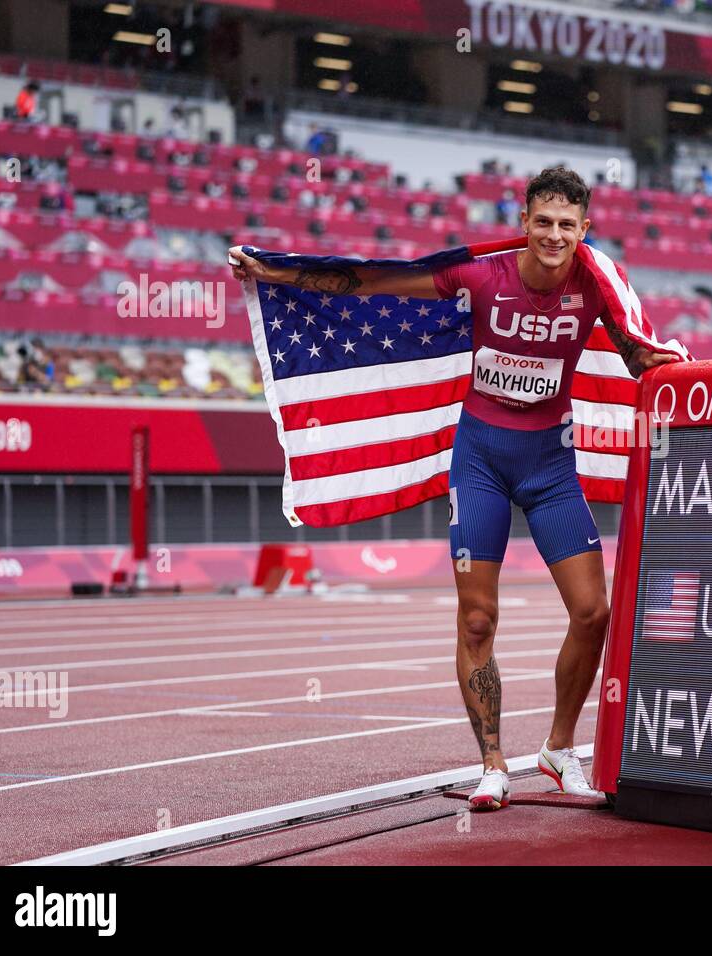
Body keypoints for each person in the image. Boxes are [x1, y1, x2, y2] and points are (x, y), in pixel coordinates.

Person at [230, 167, 680, 810]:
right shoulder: (481, 276)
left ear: (585, 230)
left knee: (593, 612)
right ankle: (493, 763)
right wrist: (276, 272)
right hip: (481, 465)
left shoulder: (594, 282)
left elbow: (637, 356)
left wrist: (685, 370)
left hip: (551, 465)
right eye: (542, 223)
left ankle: (558, 749)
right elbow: (378, 278)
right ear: (524, 224)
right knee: (477, 618)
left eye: (567, 226)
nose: (554, 236)